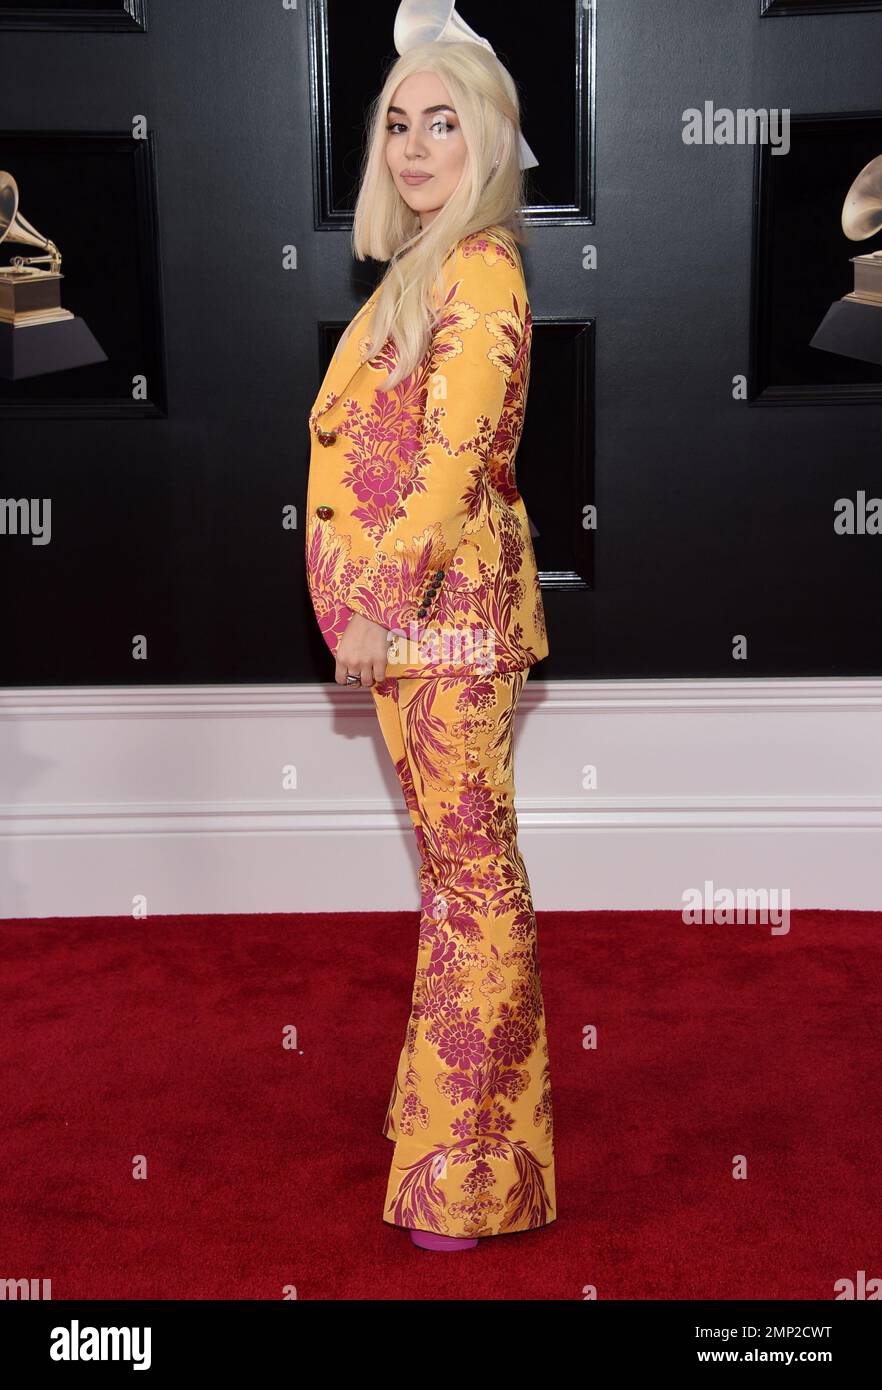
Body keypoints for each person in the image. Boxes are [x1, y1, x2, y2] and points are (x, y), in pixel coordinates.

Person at [305, 21, 555, 1252]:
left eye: (441, 121)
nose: (412, 145)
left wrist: (374, 606)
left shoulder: (483, 272)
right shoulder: (429, 266)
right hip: (427, 633)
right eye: (397, 123)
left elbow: (453, 469)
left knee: (470, 887)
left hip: (445, 629)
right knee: (462, 883)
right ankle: (454, 1154)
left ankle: (472, 1180)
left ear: (489, 136)